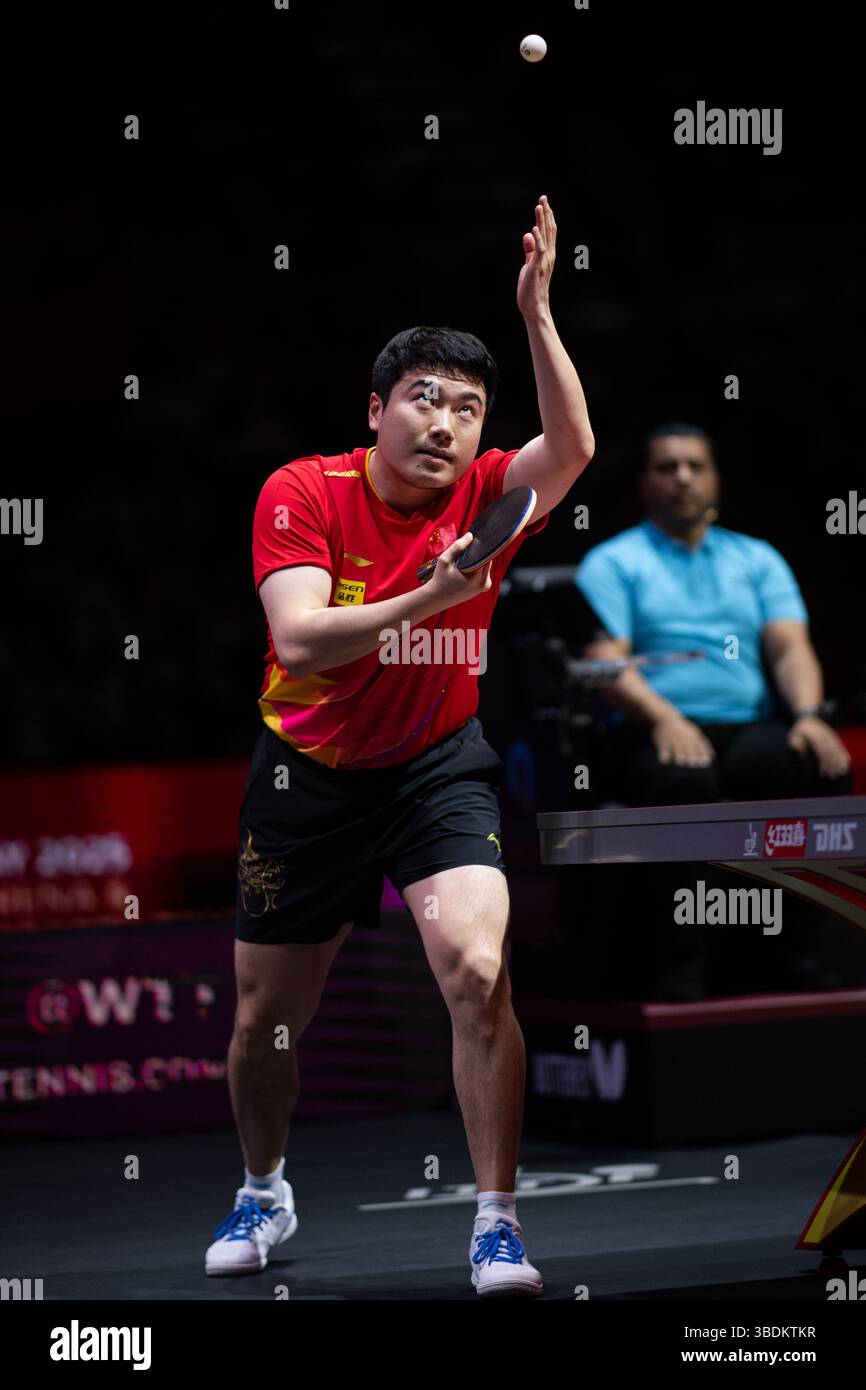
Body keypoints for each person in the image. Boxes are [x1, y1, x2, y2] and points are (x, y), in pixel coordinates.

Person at [205, 196, 595, 1296]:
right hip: (308, 774)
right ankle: (262, 1184)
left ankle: (496, 1220)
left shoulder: (488, 496)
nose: (444, 423)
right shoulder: (303, 492)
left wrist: (535, 309)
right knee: (263, 1024)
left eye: (467, 409)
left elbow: (572, 446)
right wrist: (425, 595)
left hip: (437, 766)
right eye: (422, 399)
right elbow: (299, 637)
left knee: (476, 972)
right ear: (374, 410)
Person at [572, 423, 851, 999]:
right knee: (683, 784)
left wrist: (809, 715)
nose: (682, 478)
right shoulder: (612, 561)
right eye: (667, 467)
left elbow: (790, 646)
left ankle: (797, 955)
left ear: (715, 480)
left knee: (818, 768)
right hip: (651, 729)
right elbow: (604, 663)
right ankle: (682, 969)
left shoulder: (758, 559)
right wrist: (665, 719)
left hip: (746, 728)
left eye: (695, 466)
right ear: (645, 484)